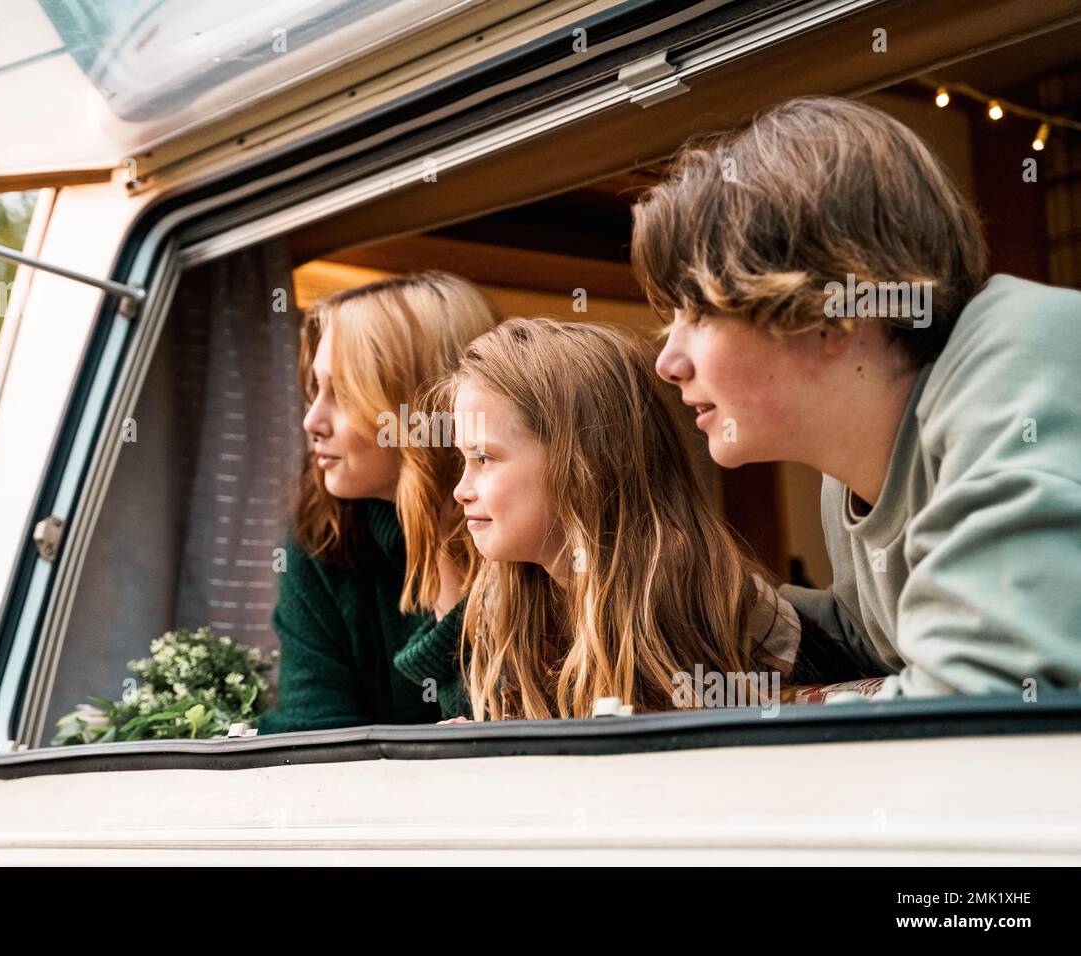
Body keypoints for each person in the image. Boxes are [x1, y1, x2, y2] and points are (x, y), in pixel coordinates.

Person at [635, 95, 1081, 699]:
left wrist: (781, 706)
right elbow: (876, 642)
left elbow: (981, 698)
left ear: (833, 309)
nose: (668, 362)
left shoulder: (1025, 355)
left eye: (699, 312)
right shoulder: (849, 478)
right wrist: (694, 595)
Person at [414, 317, 836, 722]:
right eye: (464, 460)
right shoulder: (503, 594)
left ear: (580, 465)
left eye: (484, 458)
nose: (461, 489)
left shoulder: (675, 580)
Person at [255, 272, 499, 733]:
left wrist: (443, 543)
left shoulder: (524, 534)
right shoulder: (324, 534)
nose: (312, 420)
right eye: (315, 389)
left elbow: (502, 737)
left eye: (343, 394)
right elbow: (310, 736)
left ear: (422, 401)